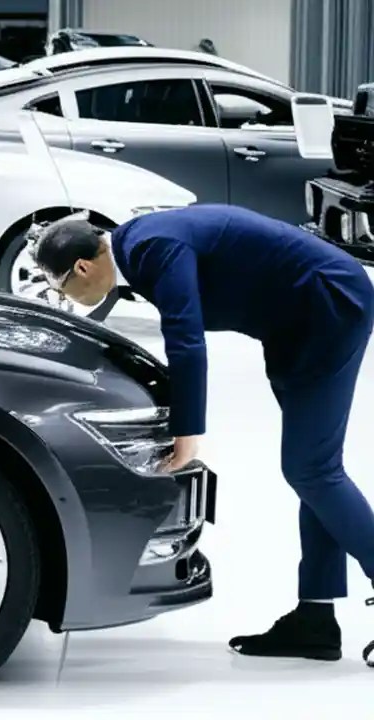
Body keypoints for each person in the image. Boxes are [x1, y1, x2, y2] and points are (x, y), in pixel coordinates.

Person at [31, 204, 374, 667]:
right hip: (295, 323)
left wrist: (187, 433)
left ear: (82, 267)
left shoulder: (153, 248)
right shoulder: (135, 248)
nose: (67, 297)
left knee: (312, 469)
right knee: (314, 472)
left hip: (329, 305)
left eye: (61, 289)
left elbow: (186, 337)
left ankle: (319, 613)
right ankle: (315, 617)